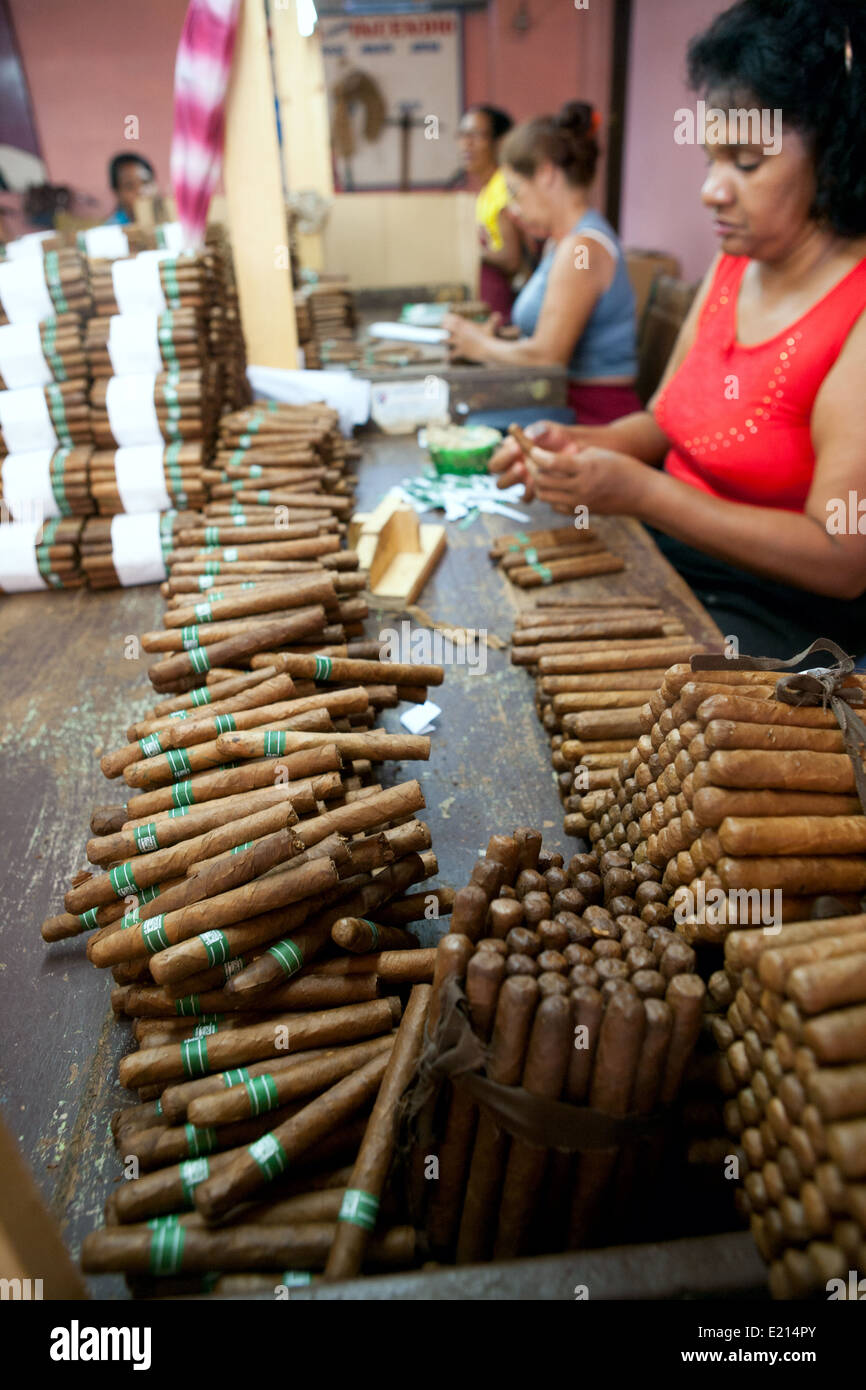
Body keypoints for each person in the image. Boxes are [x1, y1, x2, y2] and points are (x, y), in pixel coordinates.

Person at [489, 0, 866, 660]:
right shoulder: (732, 266)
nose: (712, 191)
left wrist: (642, 492)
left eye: (745, 163)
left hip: (780, 619)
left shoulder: (856, 308)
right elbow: (666, 419)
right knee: (505, 620)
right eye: (710, 160)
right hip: (671, 559)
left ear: (833, 157)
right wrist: (579, 445)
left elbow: (843, 558)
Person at [446, 102, 642, 426]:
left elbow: (549, 357)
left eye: (515, 191)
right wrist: (501, 338)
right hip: (563, 399)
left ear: (547, 174)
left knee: (467, 424)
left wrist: (480, 345)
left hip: (593, 415)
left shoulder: (582, 249)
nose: (511, 206)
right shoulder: (562, 242)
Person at [458, 105, 523, 321]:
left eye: (476, 135)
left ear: (499, 143)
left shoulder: (504, 188)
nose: (466, 143)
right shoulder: (488, 191)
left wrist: (470, 251)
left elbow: (512, 260)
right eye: (463, 135)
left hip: (502, 313)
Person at [105, 153, 157, 224]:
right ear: (117, 193)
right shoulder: (112, 231)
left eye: (145, 182)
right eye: (130, 186)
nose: (140, 191)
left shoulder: (173, 223)